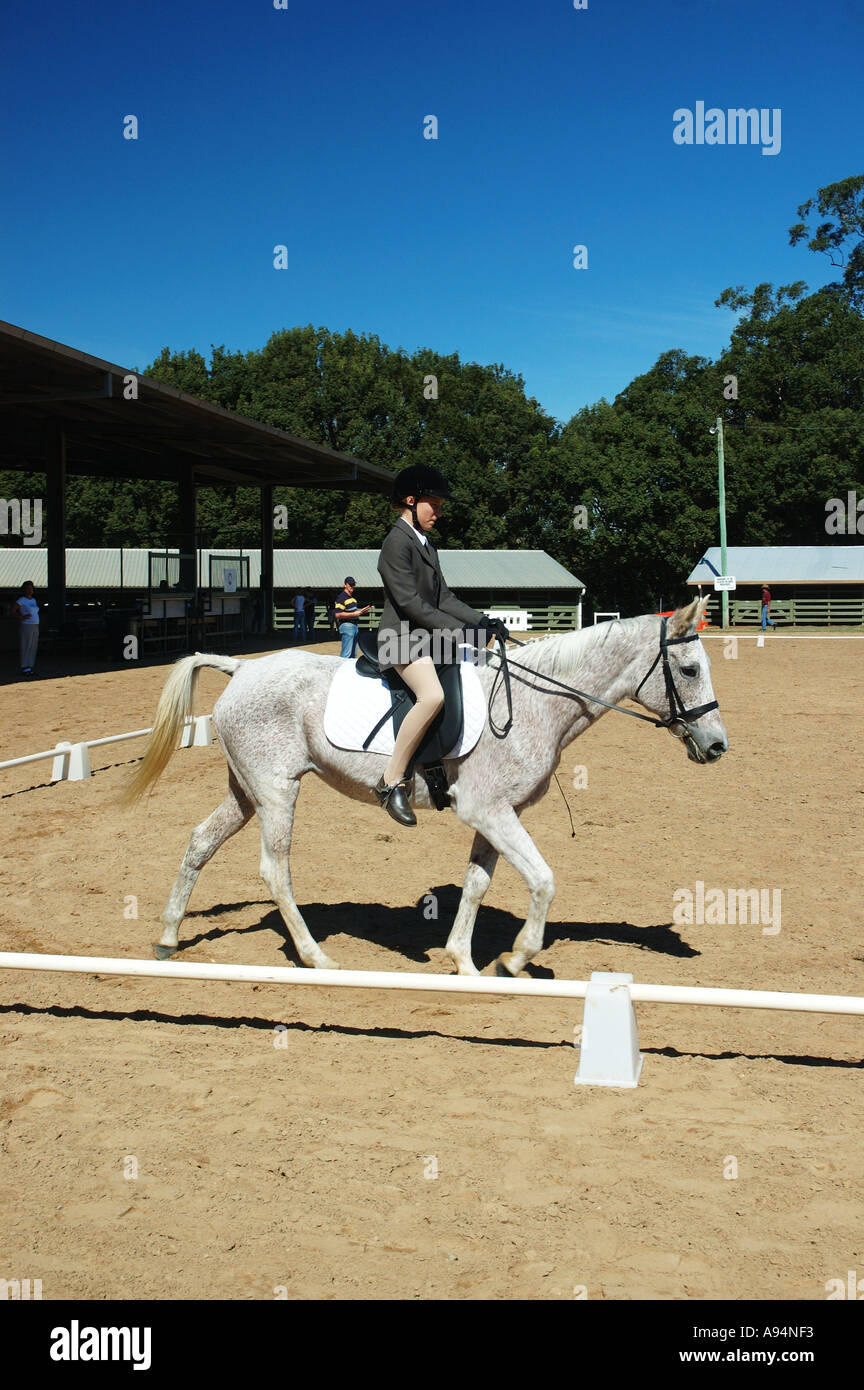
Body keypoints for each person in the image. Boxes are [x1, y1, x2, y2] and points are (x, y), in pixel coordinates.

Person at [373, 464, 509, 826]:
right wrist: (462, 634)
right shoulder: (395, 543)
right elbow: (412, 605)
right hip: (399, 639)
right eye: (433, 504)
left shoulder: (426, 545)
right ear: (410, 500)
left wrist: (481, 620)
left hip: (424, 638)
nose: (439, 511)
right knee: (432, 696)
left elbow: (443, 598)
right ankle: (389, 782)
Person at [335, 577, 372, 658]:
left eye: (353, 584)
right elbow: (337, 614)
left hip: (354, 626)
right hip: (347, 626)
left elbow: (352, 612)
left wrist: (361, 611)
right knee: (346, 655)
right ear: (345, 585)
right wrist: (354, 614)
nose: (352, 586)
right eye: (350, 584)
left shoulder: (353, 599)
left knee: (353, 656)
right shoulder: (342, 597)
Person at [14, 580, 40, 676]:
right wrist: (21, 617)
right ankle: (25, 666)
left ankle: (30, 666)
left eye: (31, 589)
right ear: (24, 590)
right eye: (28, 589)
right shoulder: (21, 600)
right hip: (27, 625)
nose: (30, 590)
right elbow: (13, 610)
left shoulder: (33, 600)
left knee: (33, 646)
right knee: (26, 645)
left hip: (35, 624)